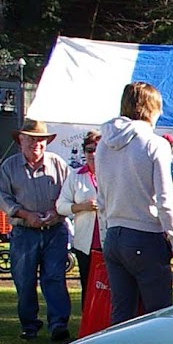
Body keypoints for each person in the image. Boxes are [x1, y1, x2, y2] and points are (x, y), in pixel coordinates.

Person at [98, 82, 173, 324]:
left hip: (114, 233)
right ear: (151, 109)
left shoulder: (103, 144)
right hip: (145, 234)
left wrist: (106, 231)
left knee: (121, 312)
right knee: (157, 315)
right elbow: (165, 197)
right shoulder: (154, 143)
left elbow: (102, 197)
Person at [0, 118, 72, 341]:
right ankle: (29, 325)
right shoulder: (9, 167)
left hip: (55, 230)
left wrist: (56, 213)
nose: (36, 145)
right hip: (24, 232)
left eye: (40, 141)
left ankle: (58, 324)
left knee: (55, 278)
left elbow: (68, 195)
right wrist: (26, 215)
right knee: (24, 279)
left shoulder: (58, 164)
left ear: (47, 142)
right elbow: (3, 199)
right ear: (21, 140)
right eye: (31, 140)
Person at [57, 130, 101, 303]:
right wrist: (81, 207)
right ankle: (88, 326)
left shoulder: (114, 175)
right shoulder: (75, 177)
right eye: (89, 150)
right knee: (88, 287)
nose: (94, 154)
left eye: (98, 149)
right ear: (84, 152)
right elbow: (60, 206)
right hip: (86, 244)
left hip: (113, 242)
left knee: (113, 289)